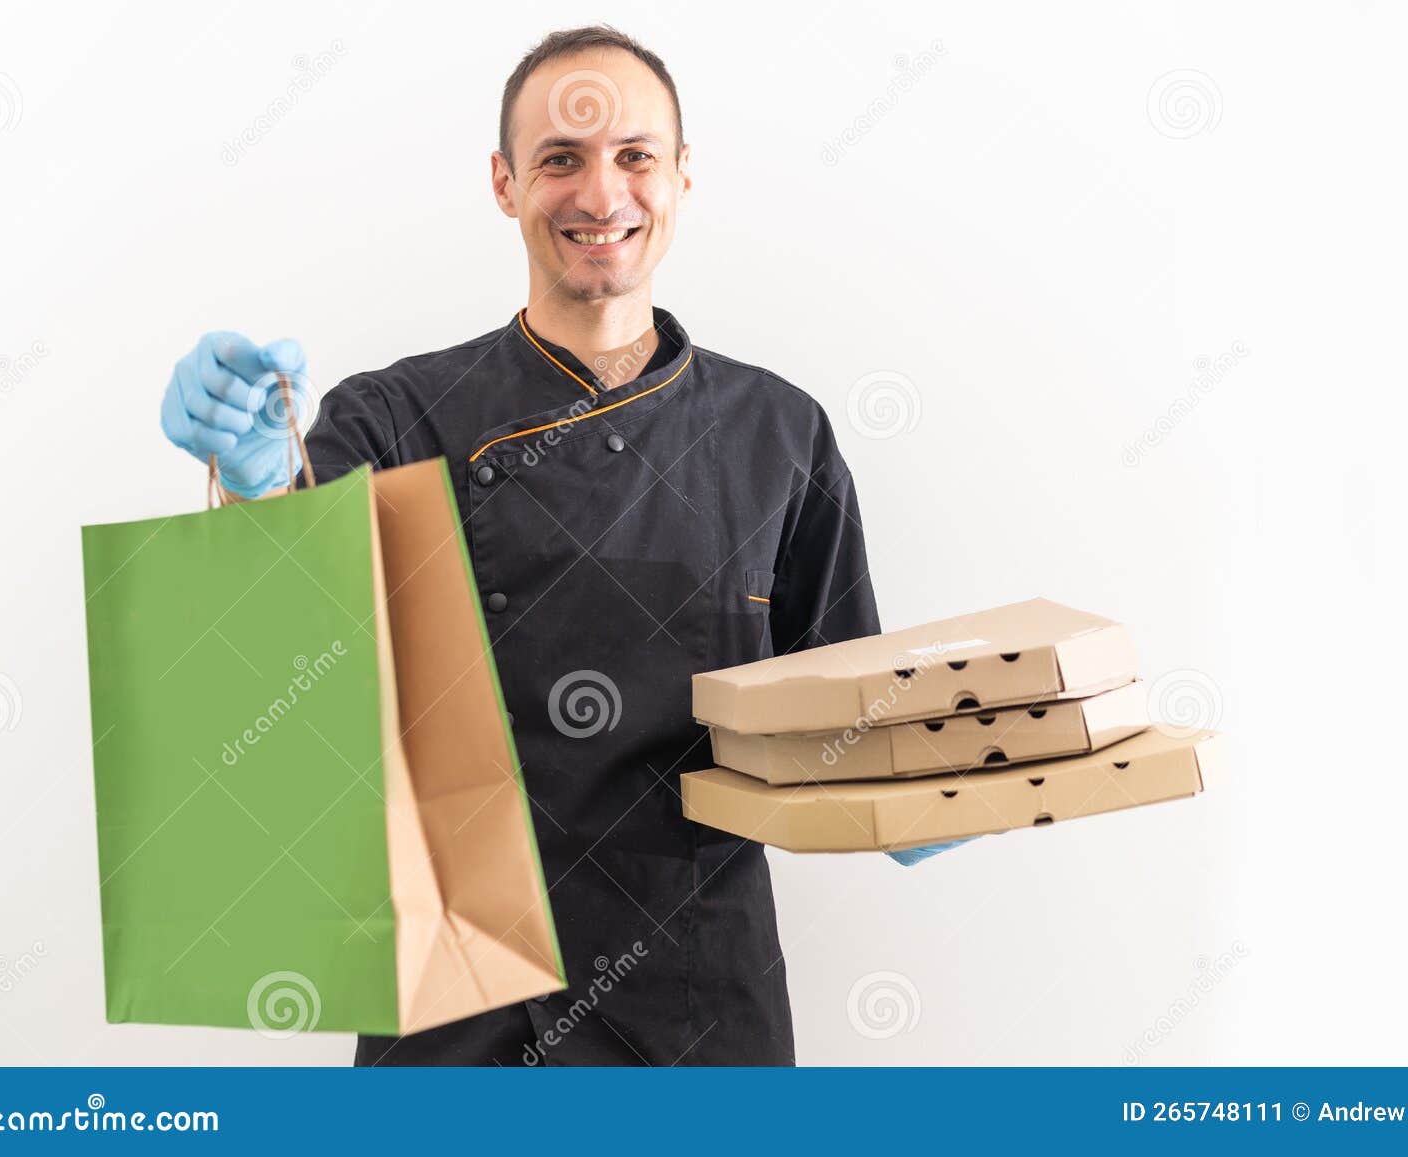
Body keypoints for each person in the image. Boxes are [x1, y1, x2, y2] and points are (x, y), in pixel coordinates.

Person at [159, 25, 965, 1066]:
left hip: (698, 1014)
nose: (600, 193)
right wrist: (255, 481)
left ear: (681, 176)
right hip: (452, 1017)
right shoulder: (400, 414)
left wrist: (933, 790)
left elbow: (842, 711)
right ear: (504, 183)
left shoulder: (781, 434)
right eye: (559, 159)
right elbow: (278, 639)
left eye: (634, 155)